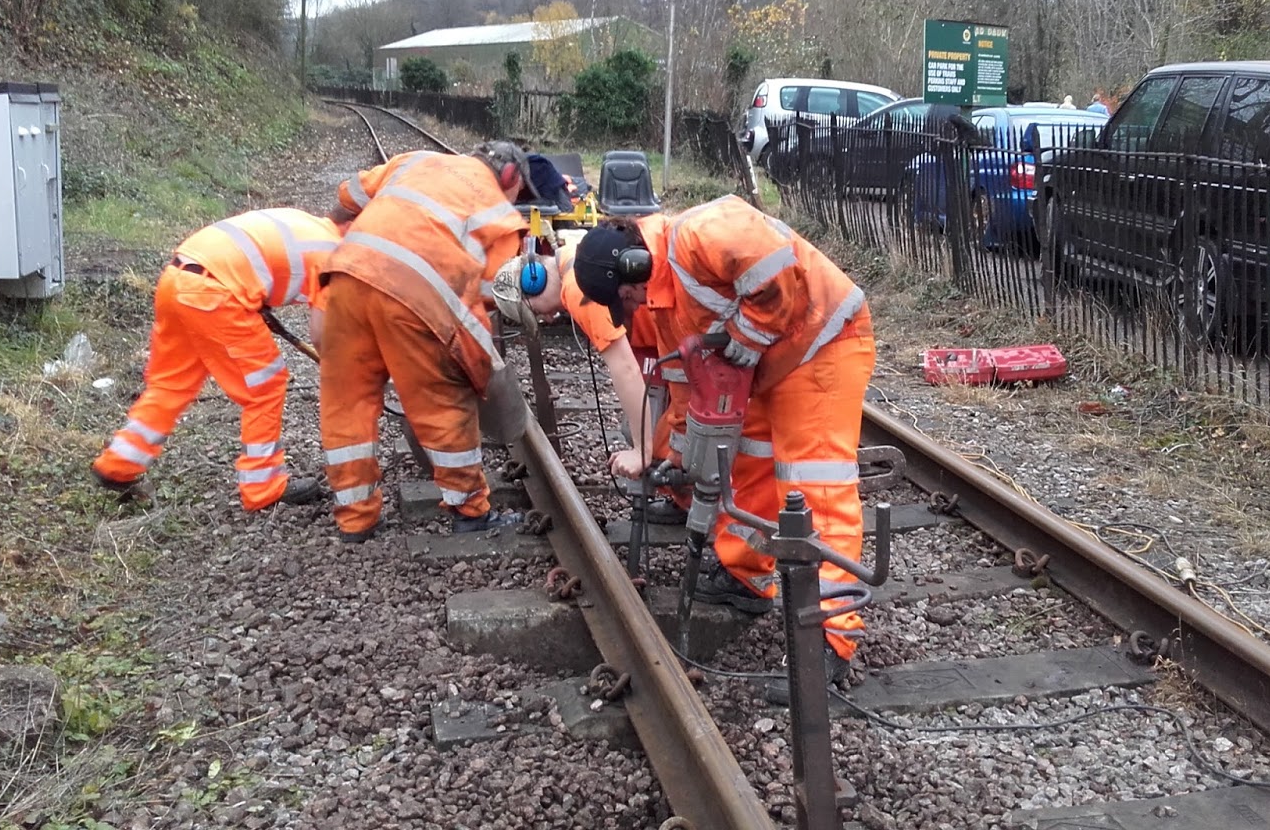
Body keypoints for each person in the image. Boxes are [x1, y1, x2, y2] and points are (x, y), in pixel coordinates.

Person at [571, 196, 875, 700]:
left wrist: (746, 336)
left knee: (814, 489)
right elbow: (687, 389)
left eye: (625, 298)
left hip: (822, 343)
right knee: (747, 465)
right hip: (765, 367)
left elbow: (776, 274)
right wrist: (678, 458)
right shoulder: (663, 302)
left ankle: (830, 641)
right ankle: (746, 575)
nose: (630, 311)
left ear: (634, 267)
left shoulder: (703, 232)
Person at [317, 142, 534, 542]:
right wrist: (478, 365)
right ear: (510, 178)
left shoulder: (412, 160)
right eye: (520, 192)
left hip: (346, 276)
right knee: (444, 402)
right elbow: (492, 295)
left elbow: (349, 195)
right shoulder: (502, 215)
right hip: (415, 299)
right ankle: (470, 512)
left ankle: (355, 520)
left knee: (346, 400)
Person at [92, 207, 347, 511]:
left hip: (176, 278)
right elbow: (324, 332)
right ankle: (263, 487)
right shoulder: (336, 253)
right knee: (265, 385)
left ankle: (118, 465)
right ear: (352, 227)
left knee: (172, 383)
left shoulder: (305, 223)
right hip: (214, 295)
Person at [494, 227, 689, 523]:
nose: (547, 318)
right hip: (662, 338)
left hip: (676, 332)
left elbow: (623, 367)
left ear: (533, 282)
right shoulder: (573, 256)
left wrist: (642, 450)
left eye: (534, 311)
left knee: (671, 436)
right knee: (664, 428)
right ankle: (685, 501)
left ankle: (699, 507)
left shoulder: (576, 290)